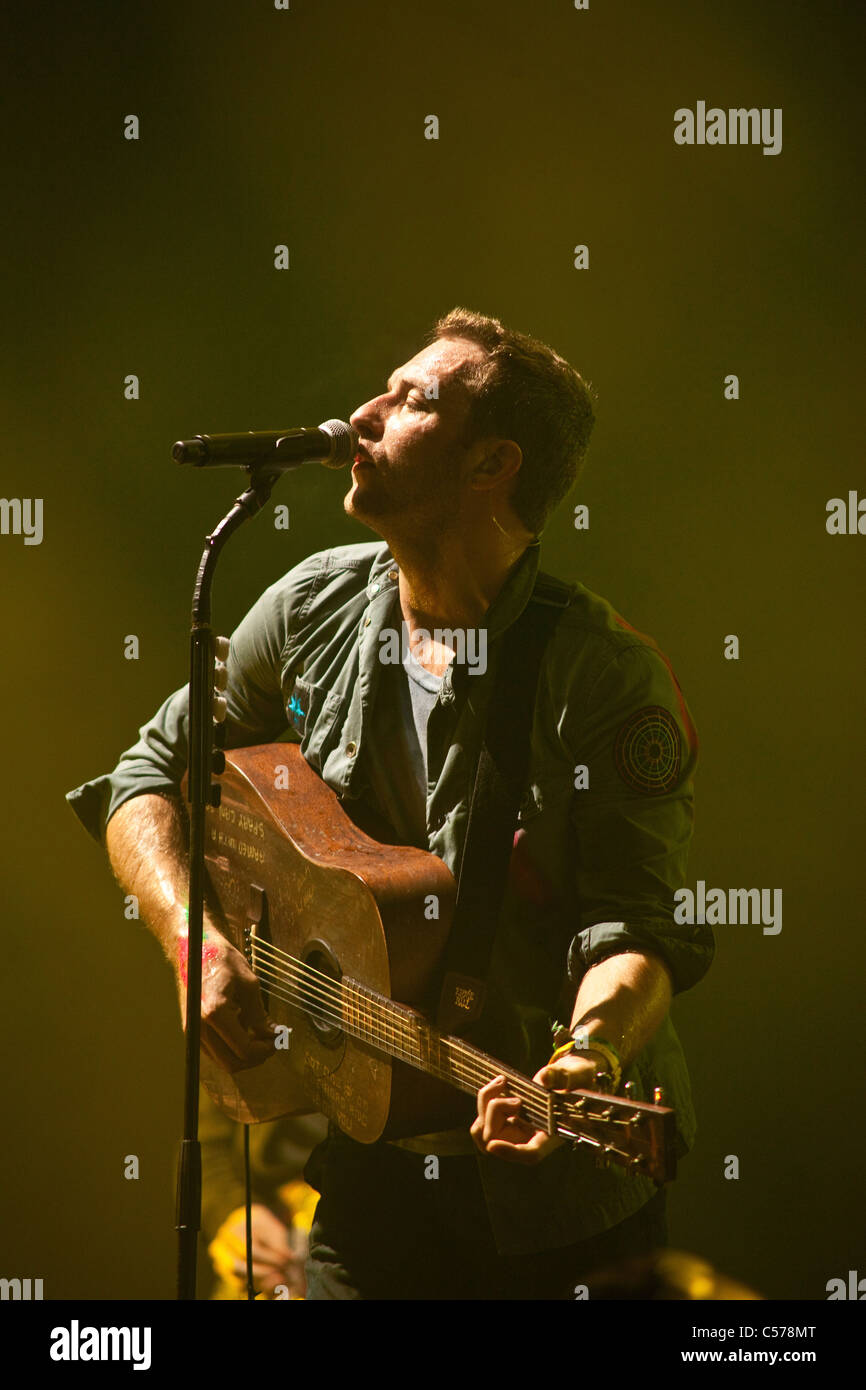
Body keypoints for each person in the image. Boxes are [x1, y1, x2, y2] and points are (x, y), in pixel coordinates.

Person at [67, 307, 714, 1299]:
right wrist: (200, 949)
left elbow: (635, 927)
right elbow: (145, 779)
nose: (361, 414)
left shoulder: (602, 676)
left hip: (555, 1205)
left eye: (411, 400)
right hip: (370, 1156)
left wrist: (586, 1054)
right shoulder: (305, 608)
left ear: (489, 463)